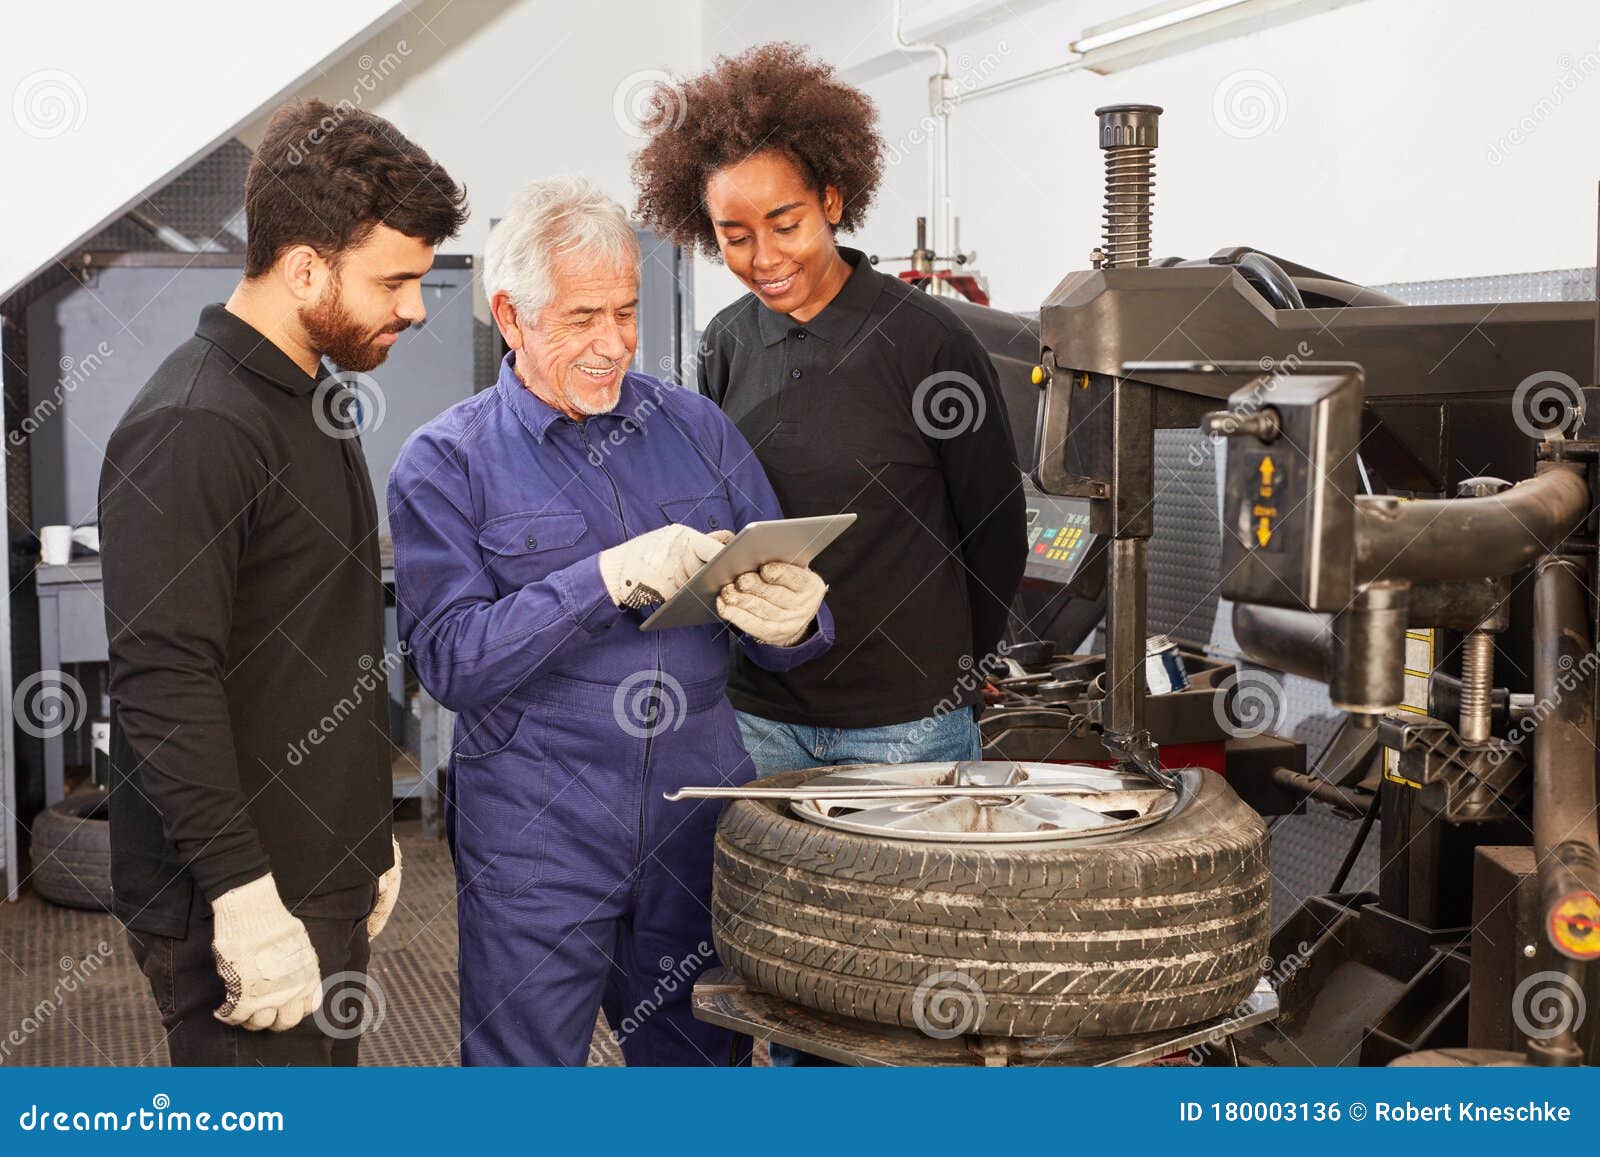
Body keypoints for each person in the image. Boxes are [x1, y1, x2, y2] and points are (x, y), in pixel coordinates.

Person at [635, 42, 1029, 1066]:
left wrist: (961, 671)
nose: (763, 255)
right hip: (759, 721)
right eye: (733, 235)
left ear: (835, 199)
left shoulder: (926, 342)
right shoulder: (727, 343)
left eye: (786, 223)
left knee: (896, 1002)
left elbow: (996, 529)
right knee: (783, 982)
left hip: (904, 728)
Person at [388, 175, 832, 1067]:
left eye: (626, 312)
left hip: (696, 811)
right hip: (537, 824)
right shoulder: (445, 462)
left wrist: (795, 624)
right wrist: (603, 580)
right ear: (511, 317)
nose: (613, 343)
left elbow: (779, 599)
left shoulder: (698, 429)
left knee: (697, 1068)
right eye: (582, 317)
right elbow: (451, 661)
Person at [101, 100, 467, 1065]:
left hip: (318, 873)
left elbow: (319, 648)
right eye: (394, 281)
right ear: (305, 268)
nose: (416, 307)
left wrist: (362, 839)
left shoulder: (313, 396)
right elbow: (162, 680)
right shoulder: (195, 424)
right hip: (241, 901)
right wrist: (243, 896)